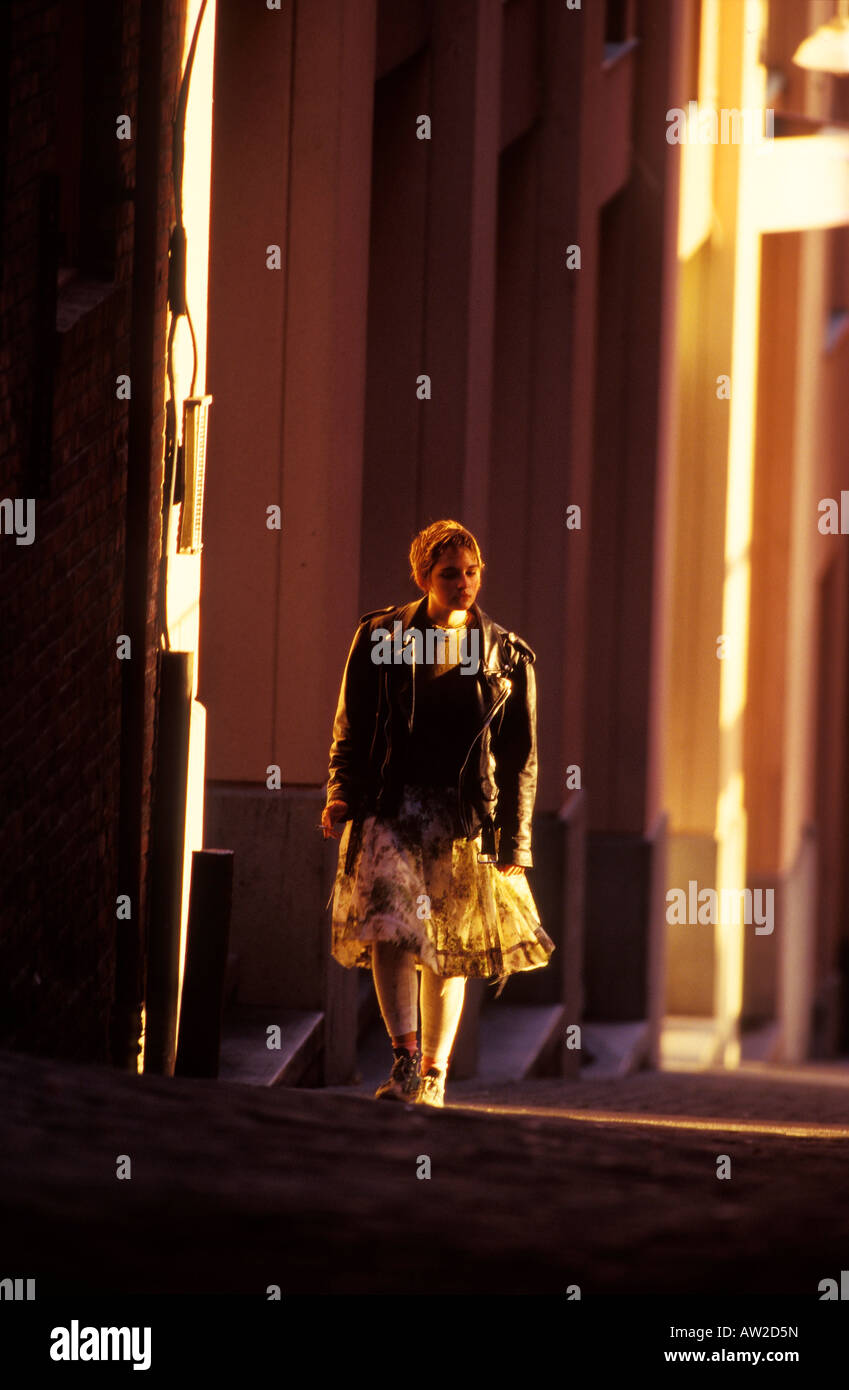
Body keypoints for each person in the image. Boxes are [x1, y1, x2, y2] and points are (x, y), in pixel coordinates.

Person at [321, 519, 555, 1108]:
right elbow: (351, 727)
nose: (464, 583)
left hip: (461, 818)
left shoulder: (507, 654)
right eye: (450, 573)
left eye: (472, 572)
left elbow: (521, 757)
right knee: (391, 931)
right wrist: (340, 793)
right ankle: (403, 1061)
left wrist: (515, 844)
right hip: (391, 807)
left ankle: (434, 1074)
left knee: (448, 949)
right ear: (424, 576)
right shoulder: (380, 637)